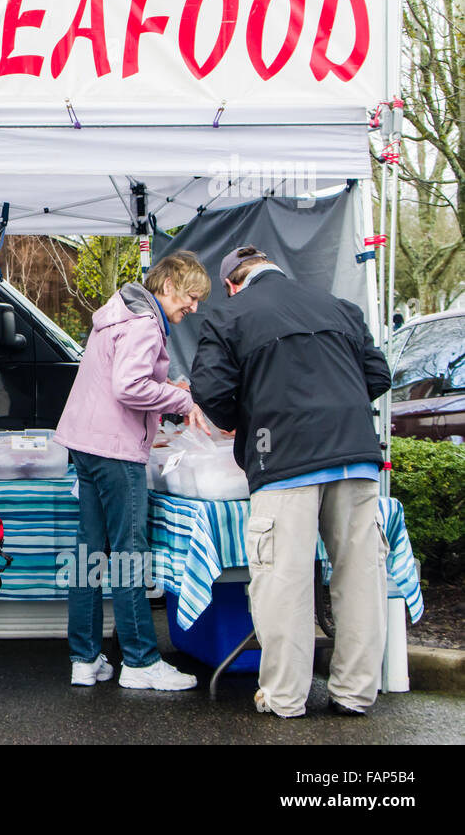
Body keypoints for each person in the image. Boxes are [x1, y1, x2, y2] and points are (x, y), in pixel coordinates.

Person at [191, 245, 392, 718]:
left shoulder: (231, 315)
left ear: (232, 284)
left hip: (282, 459)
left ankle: (285, 698)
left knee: (284, 581)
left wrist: (248, 418)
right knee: (361, 577)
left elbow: (212, 390)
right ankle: (355, 694)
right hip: (357, 458)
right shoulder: (338, 305)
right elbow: (378, 375)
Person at [54, 252, 212, 691]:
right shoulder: (145, 323)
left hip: (86, 445)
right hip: (116, 451)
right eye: (192, 297)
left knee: (90, 554)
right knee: (128, 555)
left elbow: (117, 380)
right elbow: (129, 386)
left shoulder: (118, 314)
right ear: (169, 286)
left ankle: (85, 659)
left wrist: (166, 389)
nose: (194, 307)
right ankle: (141, 660)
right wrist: (182, 401)